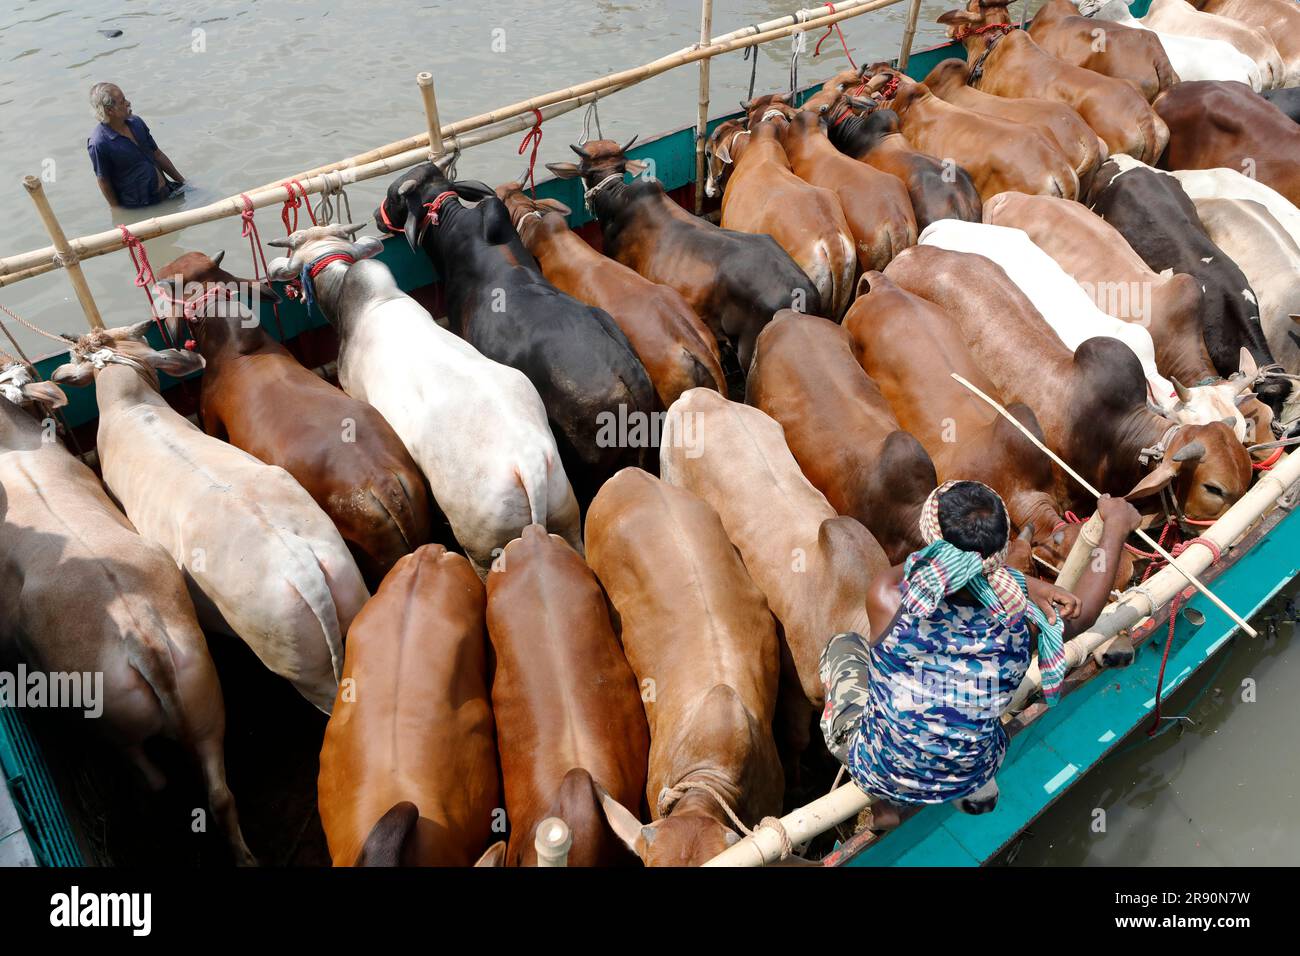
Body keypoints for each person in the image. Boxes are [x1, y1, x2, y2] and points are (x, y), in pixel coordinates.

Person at [819, 481, 1142, 827]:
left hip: (880, 769)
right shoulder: (1023, 626)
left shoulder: (885, 595)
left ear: (934, 545)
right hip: (971, 771)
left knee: (842, 646)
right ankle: (960, 782)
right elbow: (1088, 610)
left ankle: (885, 804)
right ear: (1002, 549)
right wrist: (1115, 528)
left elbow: (920, 566)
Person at [86, 83, 185, 209]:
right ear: (109, 110)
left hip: (168, 192)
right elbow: (104, 181)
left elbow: (157, 154)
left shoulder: (136, 122)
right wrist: (117, 211)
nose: (128, 103)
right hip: (141, 206)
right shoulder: (99, 143)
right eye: (122, 102)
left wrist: (183, 182)